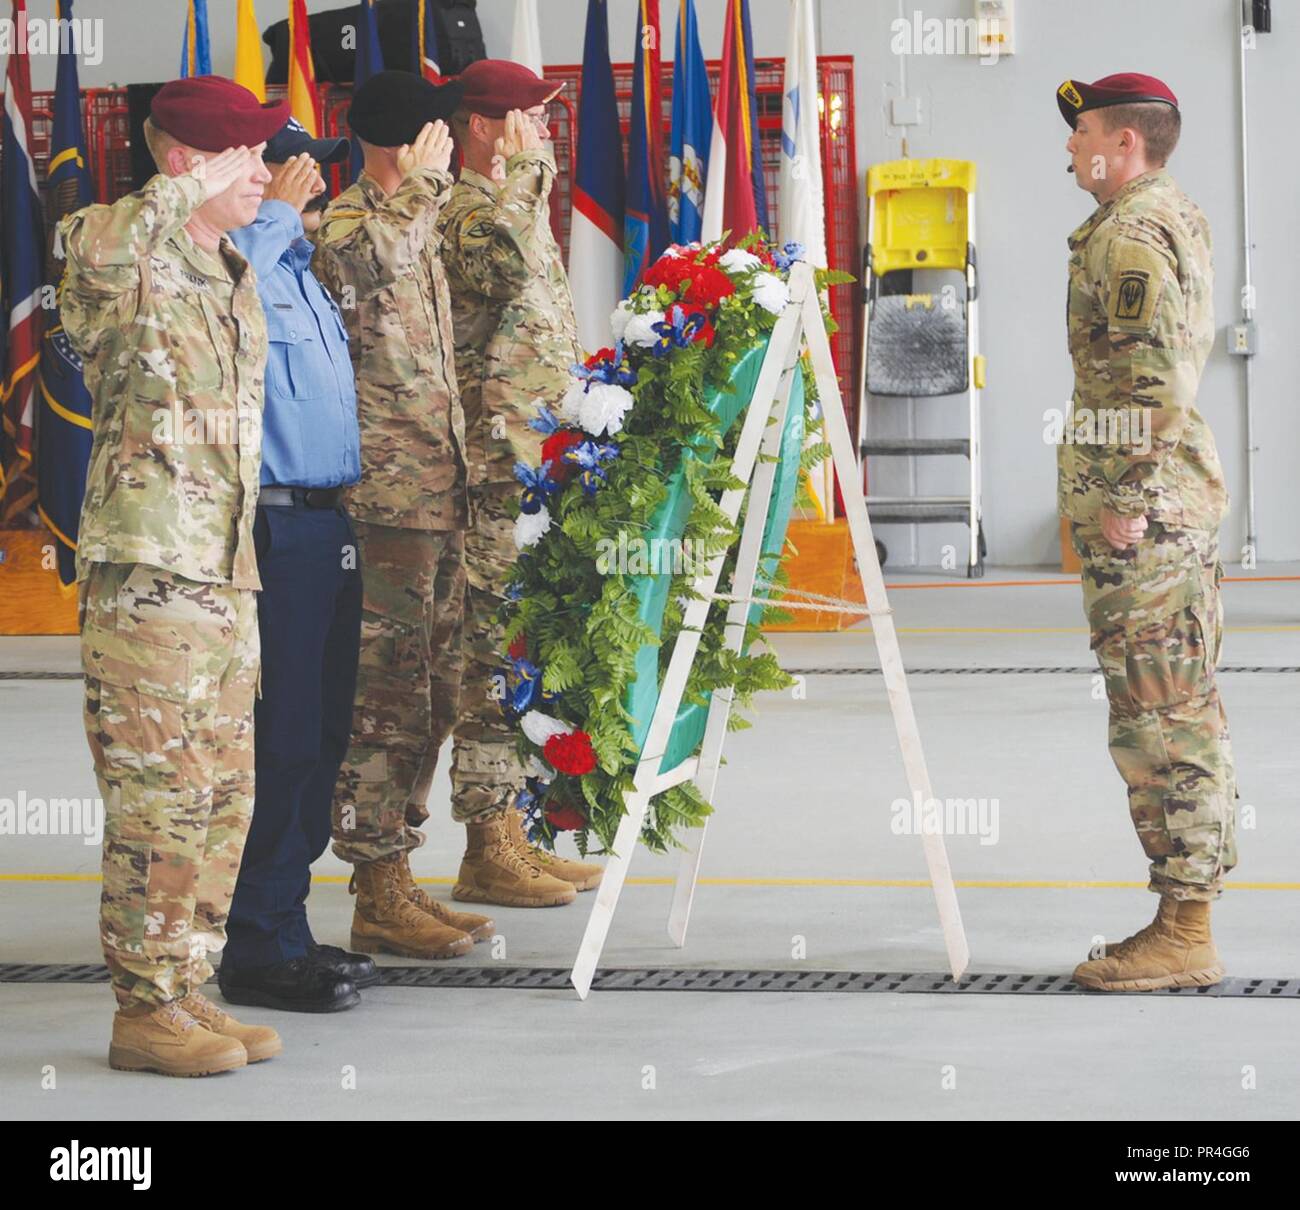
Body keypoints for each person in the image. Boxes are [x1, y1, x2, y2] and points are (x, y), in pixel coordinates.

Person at [60, 76, 288, 1076]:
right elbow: (103, 252)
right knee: (156, 798)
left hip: (224, 576)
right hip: (148, 576)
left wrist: (210, 197)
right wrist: (173, 188)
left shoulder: (228, 268)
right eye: (246, 153)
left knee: (220, 794)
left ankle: (190, 983)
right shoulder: (116, 254)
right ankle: (142, 1007)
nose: (268, 171)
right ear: (188, 159)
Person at [1055, 74, 1236, 992]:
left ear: (1125, 143)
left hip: (1147, 517)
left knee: (1161, 718)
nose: (1070, 146)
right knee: (1176, 707)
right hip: (1166, 504)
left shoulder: (1129, 231)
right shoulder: (1167, 214)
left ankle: (1185, 931)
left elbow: (1154, 377)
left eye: (1082, 130)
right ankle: (1180, 914)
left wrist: (1123, 493)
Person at [314, 71, 494, 958]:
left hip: (439, 488)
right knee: (382, 698)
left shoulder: (418, 222)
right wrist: (418, 185)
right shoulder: (350, 224)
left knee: (434, 689)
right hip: (382, 505)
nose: (452, 150)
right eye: (438, 139)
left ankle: (399, 872)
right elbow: (363, 268)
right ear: (407, 145)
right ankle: (374, 884)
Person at [436, 59, 604, 907]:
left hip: (535, 460)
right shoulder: (464, 208)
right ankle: (486, 842)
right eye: (530, 119)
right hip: (491, 469)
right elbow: (497, 272)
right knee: (489, 659)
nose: (544, 133)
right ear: (485, 126)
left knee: (523, 651)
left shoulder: (514, 204)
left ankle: (508, 829)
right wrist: (524, 172)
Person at [220, 118, 376, 1012]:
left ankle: (286, 925)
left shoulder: (298, 273)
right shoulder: (236, 261)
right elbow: (226, 267)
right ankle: (256, 944)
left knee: (319, 738)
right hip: (275, 529)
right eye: (293, 171)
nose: (311, 185)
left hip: (329, 523)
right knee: (276, 740)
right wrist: (273, 216)